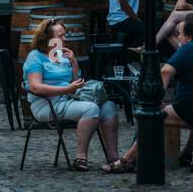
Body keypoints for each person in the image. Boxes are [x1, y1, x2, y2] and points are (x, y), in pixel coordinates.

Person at [102, 12, 193, 173]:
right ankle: (186, 154)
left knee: (152, 117)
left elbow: (165, 72)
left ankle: (127, 160)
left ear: (189, 36)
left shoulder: (190, 48)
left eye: (179, 34)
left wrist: (155, 101)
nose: (177, 37)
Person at [22, 18, 120, 170]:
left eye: (64, 35)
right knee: (90, 109)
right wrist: (67, 89)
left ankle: (114, 158)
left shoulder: (60, 55)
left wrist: (74, 64)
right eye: (60, 36)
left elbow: (75, 82)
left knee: (109, 106)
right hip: (47, 104)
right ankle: (81, 158)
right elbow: (35, 87)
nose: (64, 39)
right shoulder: (35, 57)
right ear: (47, 38)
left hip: (69, 99)